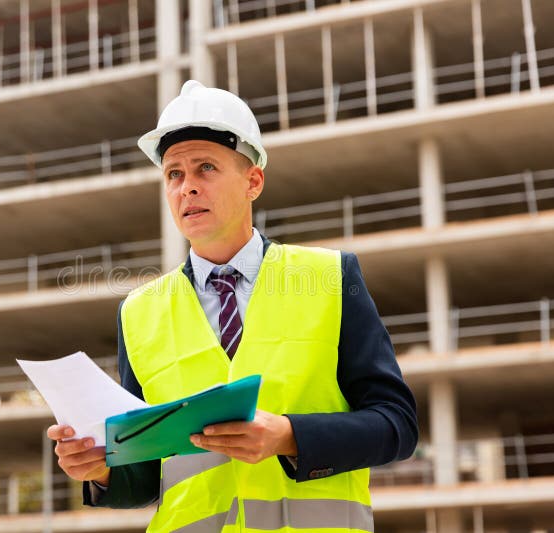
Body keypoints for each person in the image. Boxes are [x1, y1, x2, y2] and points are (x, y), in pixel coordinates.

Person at [48, 80, 418, 532]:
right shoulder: (139, 313)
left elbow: (397, 426)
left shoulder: (330, 278)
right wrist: (100, 469)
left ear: (253, 182)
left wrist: (288, 436)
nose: (187, 188)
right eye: (174, 174)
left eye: (205, 168)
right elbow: (144, 475)